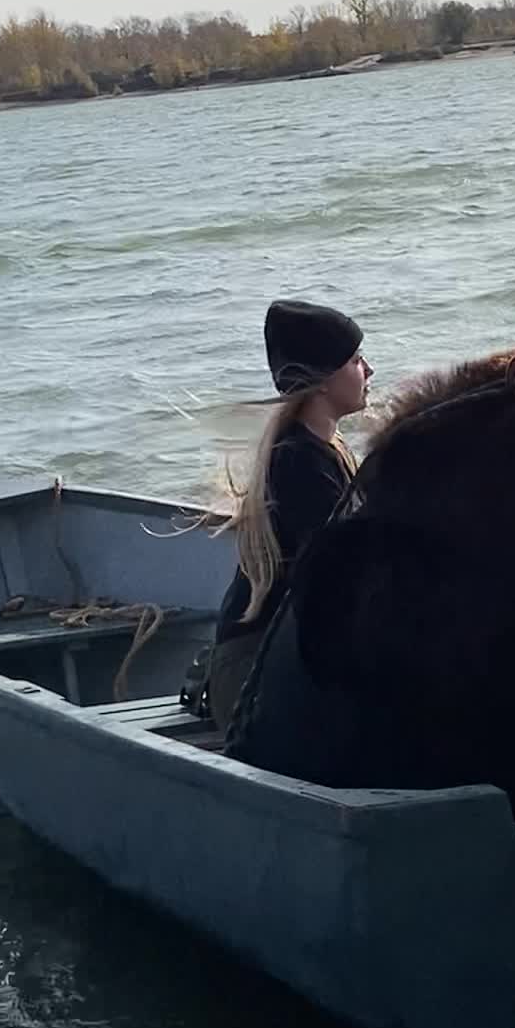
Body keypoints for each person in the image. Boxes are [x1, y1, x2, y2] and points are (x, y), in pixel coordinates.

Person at [207, 299, 372, 734]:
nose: (368, 370)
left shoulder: (324, 451)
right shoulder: (301, 465)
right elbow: (338, 586)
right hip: (255, 676)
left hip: (284, 659)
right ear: (321, 381)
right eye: (356, 360)